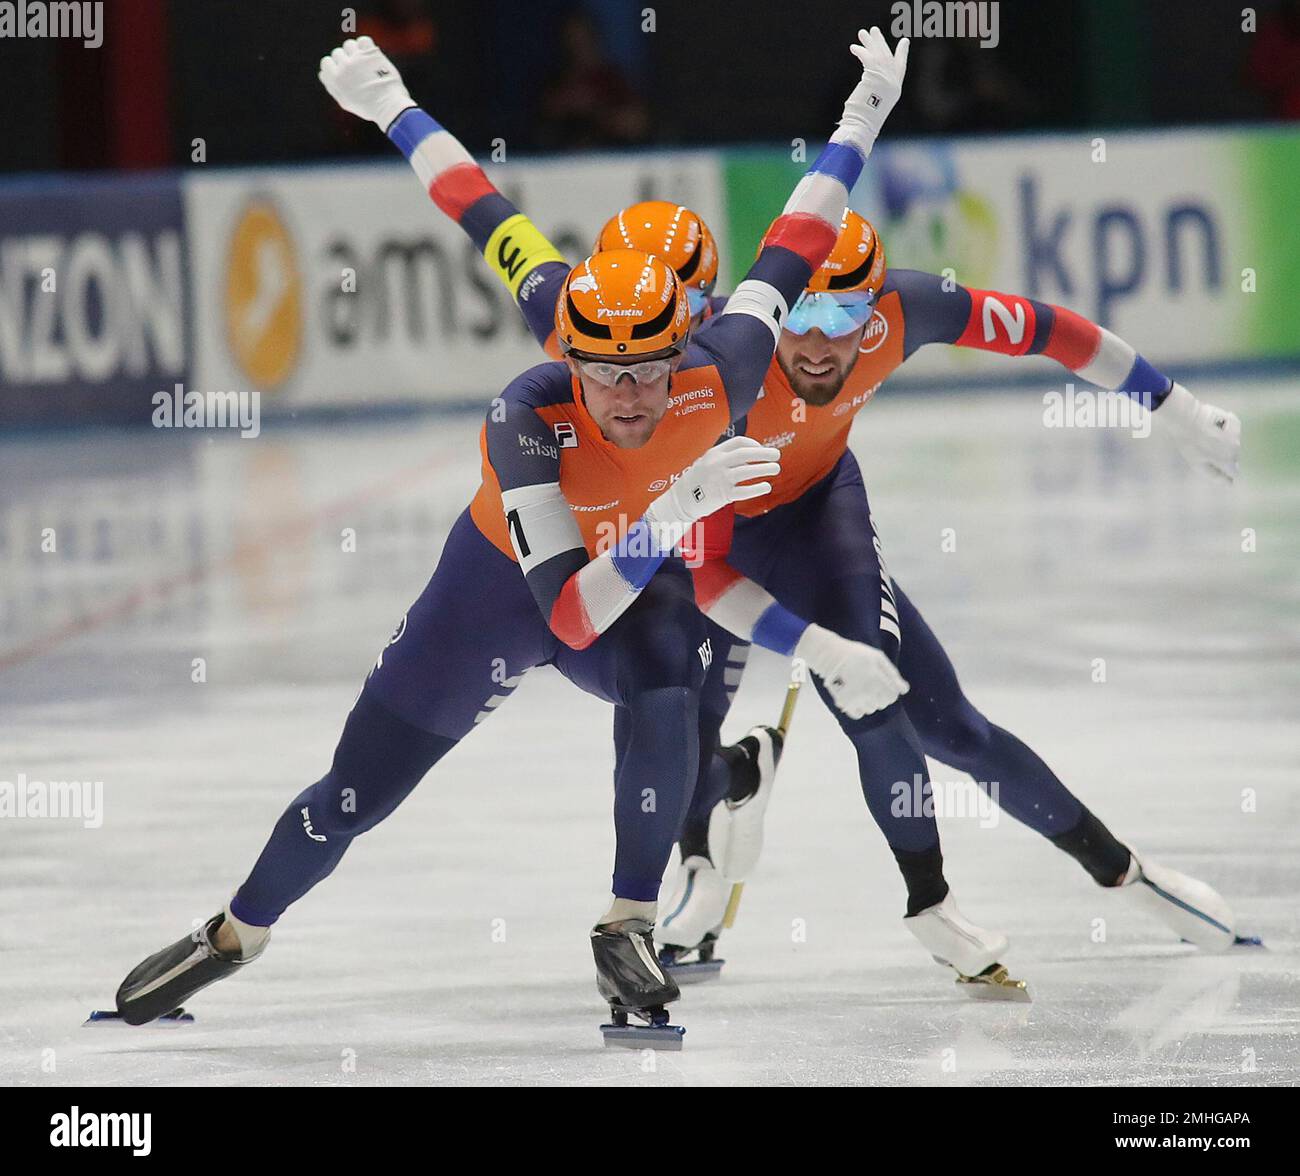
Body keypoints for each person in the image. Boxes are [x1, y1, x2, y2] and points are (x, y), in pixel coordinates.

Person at [338, 41, 1244, 993]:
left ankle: (1060, 883)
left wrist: (1176, 408)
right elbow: (488, 216)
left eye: (844, 316)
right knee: (673, 749)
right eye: (800, 320)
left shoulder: (885, 313)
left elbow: (1054, 330)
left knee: (923, 716)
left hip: (807, 514)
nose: (816, 347)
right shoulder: (682, 358)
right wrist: (393, 103)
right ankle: (721, 811)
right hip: (703, 540)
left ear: (874, 306)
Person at [112, 29, 912, 1039]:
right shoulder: (528, 415)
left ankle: (626, 924)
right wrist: (391, 103)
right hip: (499, 588)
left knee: (667, 688)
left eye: (648, 371)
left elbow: (798, 235)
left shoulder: (731, 362)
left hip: (628, 587)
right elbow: (570, 612)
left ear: (685, 349)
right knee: (352, 800)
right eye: (601, 373)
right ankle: (232, 934)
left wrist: (862, 116)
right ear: (565, 350)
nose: (626, 397)